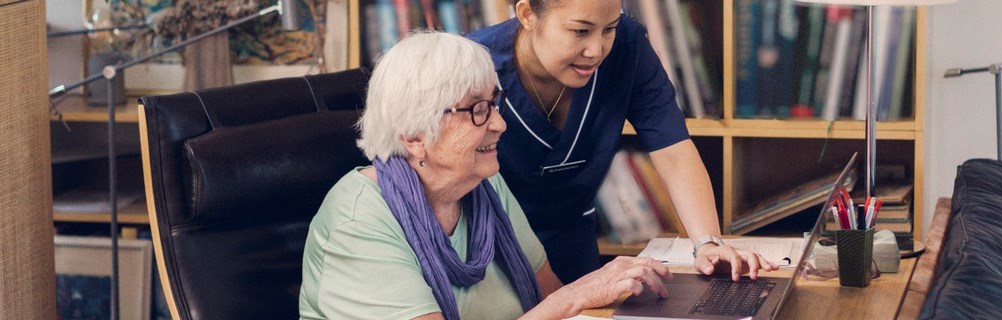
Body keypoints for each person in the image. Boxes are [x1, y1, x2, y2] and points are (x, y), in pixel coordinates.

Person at [298, 32, 671, 320]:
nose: (499, 123)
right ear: (414, 136)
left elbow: (549, 295)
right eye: (477, 110)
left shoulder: (483, 183)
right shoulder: (357, 223)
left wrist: (593, 294)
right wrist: (577, 295)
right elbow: (561, 302)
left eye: (494, 103)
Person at [467, 0, 778, 283]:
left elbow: (673, 150)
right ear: (527, 15)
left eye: (609, 29)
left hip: (573, 245)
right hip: (488, 251)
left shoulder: (628, 49)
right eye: (580, 31)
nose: (596, 50)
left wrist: (707, 243)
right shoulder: (474, 64)